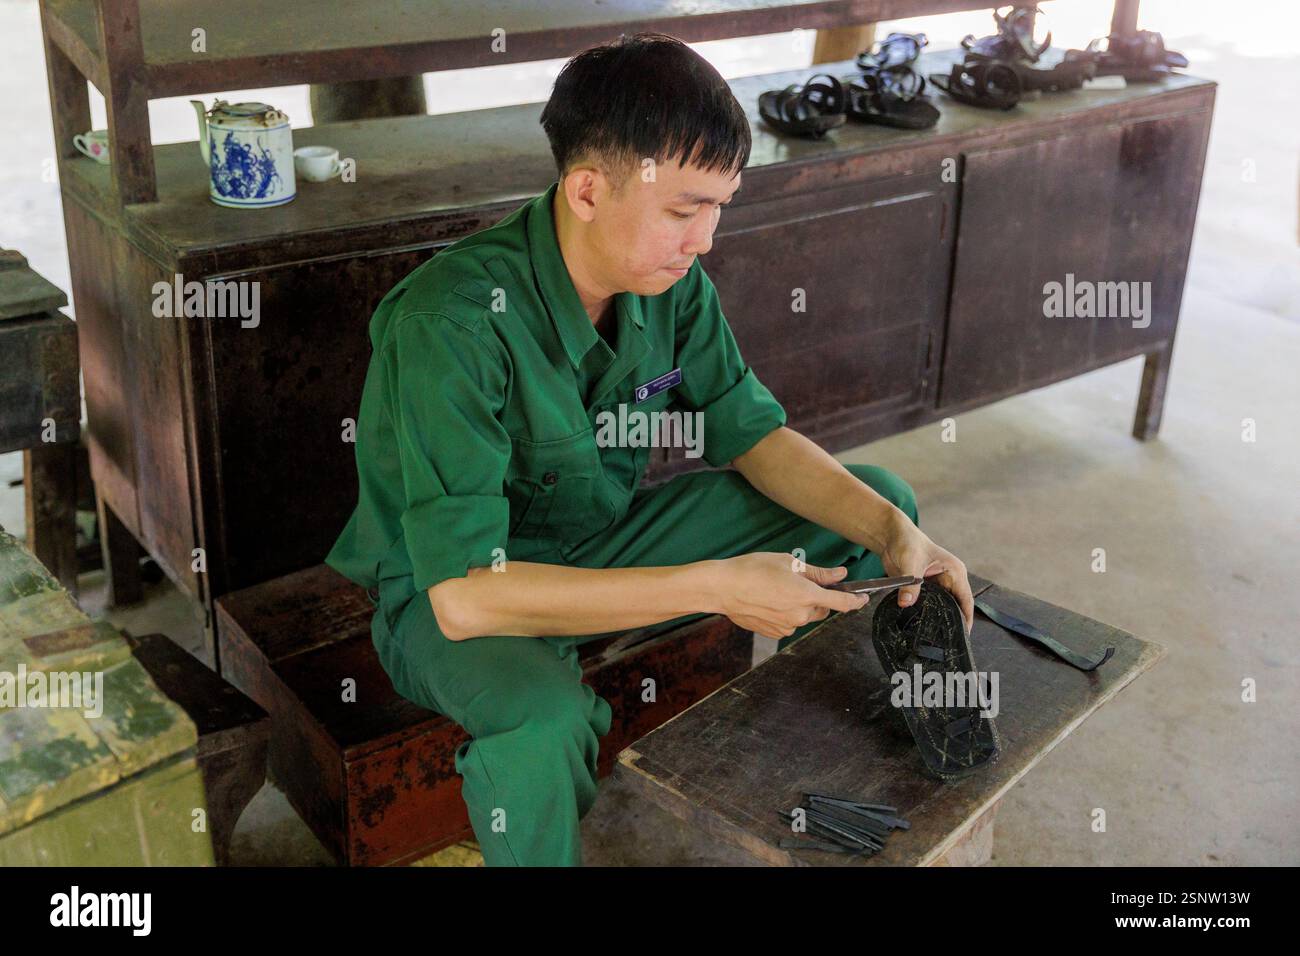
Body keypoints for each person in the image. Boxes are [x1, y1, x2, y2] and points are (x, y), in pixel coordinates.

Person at [327, 32, 973, 866]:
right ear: (588, 189)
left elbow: (755, 435)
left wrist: (894, 530)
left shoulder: (669, 285)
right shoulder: (450, 324)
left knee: (872, 507)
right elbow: (465, 598)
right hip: (454, 591)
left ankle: (822, 792)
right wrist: (713, 585)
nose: (704, 240)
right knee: (542, 725)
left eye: (718, 209)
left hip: (598, 546)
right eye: (683, 210)